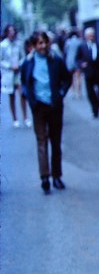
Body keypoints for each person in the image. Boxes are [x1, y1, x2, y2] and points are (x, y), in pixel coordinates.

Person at [19, 31, 72, 194]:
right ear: (34, 46)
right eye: (39, 43)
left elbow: (67, 78)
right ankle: (44, 177)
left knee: (56, 142)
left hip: (54, 105)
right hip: (39, 107)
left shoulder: (56, 60)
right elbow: (24, 83)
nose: (42, 46)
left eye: (44, 42)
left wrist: (61, 93)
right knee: (41, 141)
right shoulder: (28, 62)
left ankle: (57, 176)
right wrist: (30, 98)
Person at [77, 27, 99, 118]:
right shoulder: (82, 46)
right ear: (86, 36)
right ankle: (95, 110)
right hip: (88, 72)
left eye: (92, 35)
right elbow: (77, 59)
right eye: (89, 36)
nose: (91, 37)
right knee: (91, 93)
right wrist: (81, 64)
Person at [1, 24, 30, 128]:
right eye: (10, 31)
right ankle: (15, 119)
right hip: (8, 74)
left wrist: (19, 64)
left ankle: (25, 117)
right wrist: (10, 66)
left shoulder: (18, 44)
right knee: (11, 96)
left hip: (18, 72)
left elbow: (23, 57)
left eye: (13, 31)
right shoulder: (3, 45)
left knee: (22, 94)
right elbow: (1, 60)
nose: (12, 33)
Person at [64, 29, 83, 99]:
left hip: (69, 61)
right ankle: (78, 92)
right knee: (78, 77)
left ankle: (73, 91)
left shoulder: (68, 42)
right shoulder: (79, 42)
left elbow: (65, 52)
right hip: (77, 61)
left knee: (71, 77)